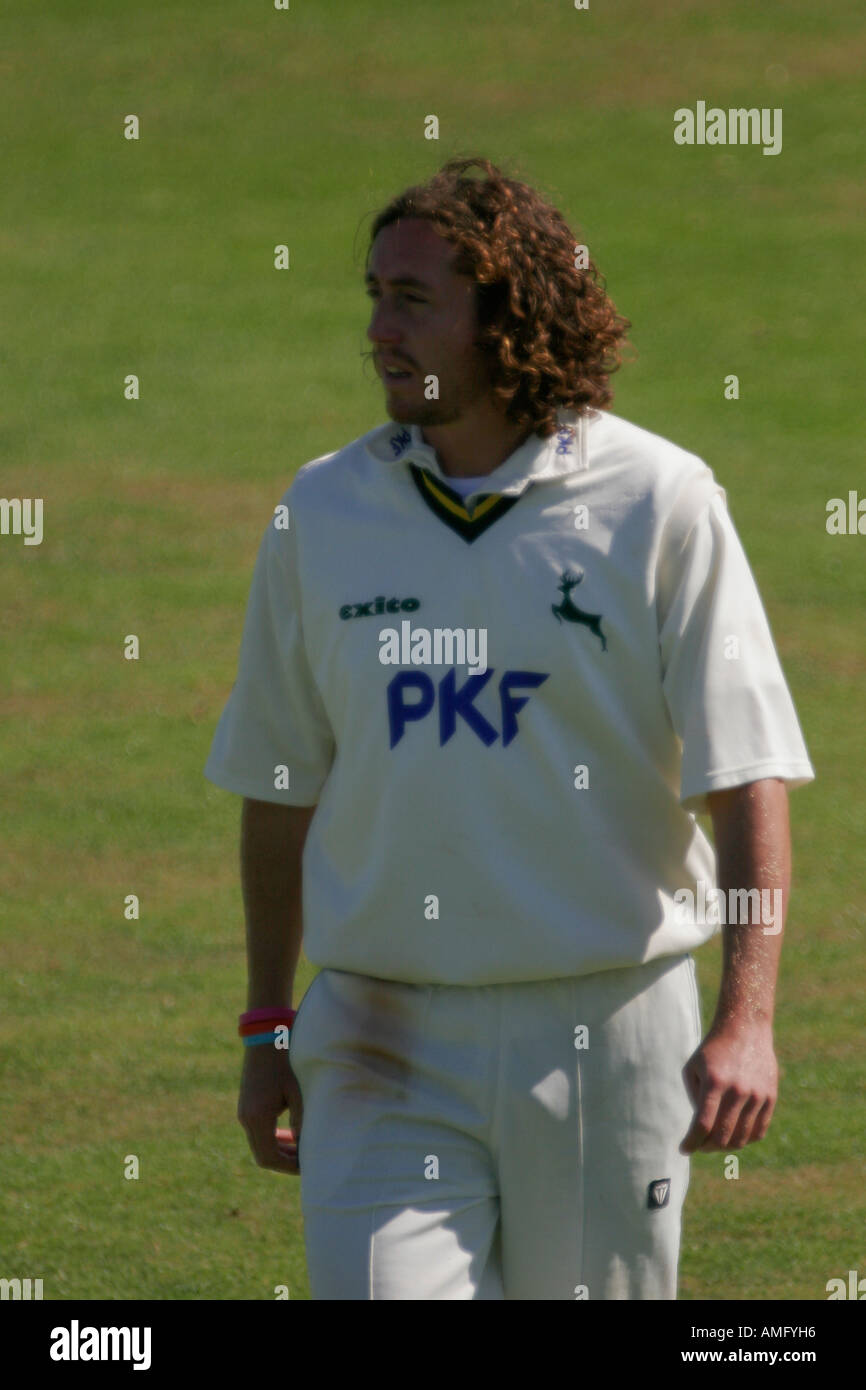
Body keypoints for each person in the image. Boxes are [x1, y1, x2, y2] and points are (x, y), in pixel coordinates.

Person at [204, 156, 815, 1300]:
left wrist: (745, 1018)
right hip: (378, 1033)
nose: (378, 331)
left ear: (504, 318)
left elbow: (746, 779)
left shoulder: (659, 501)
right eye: (373, 296)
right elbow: (279, 786)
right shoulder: (321, 513)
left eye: (411, 300)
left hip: (606, 1030)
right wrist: (264, 1025)